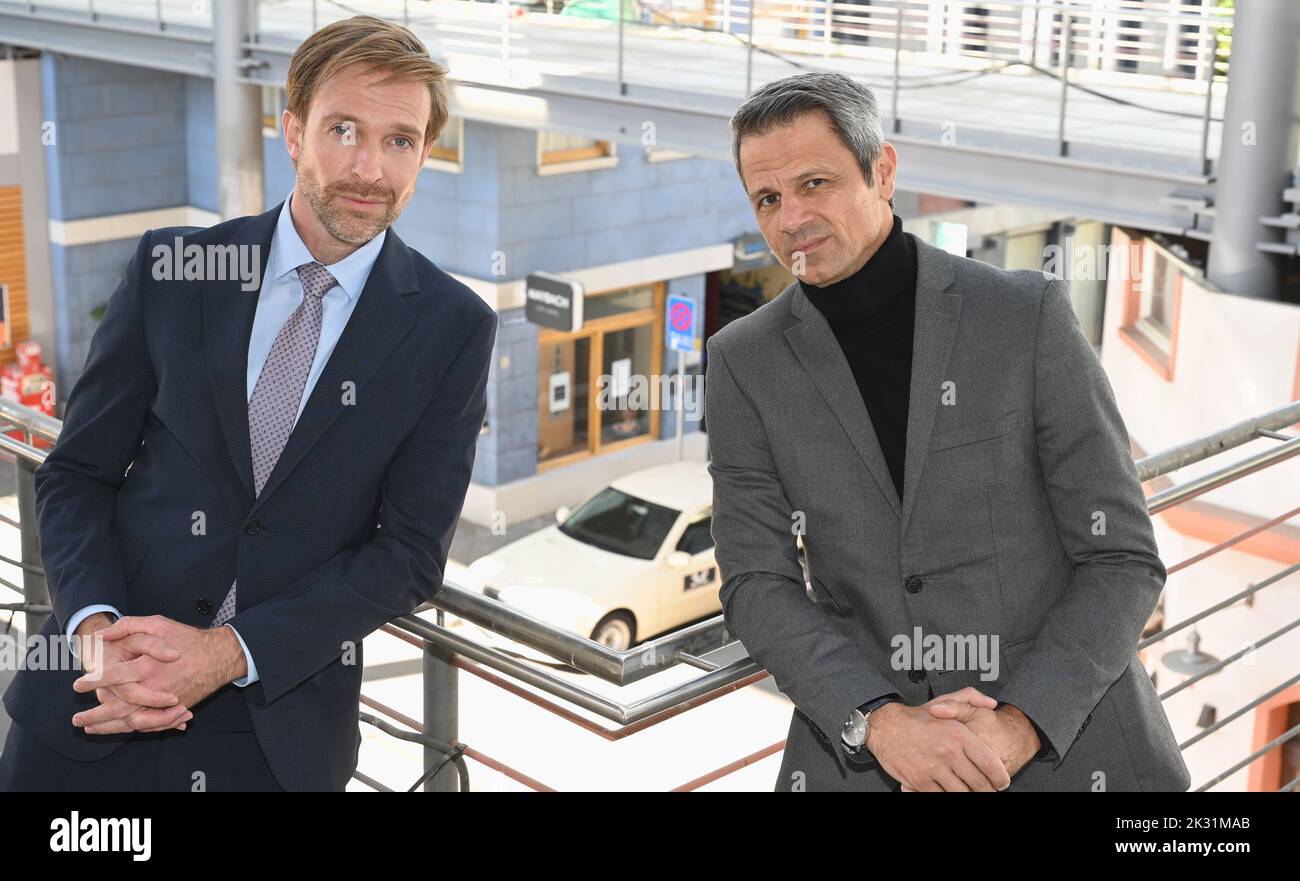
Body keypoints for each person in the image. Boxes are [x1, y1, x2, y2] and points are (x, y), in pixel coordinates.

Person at [0, 15, 496, 791]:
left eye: (400, 140)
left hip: (271, 736)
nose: (370, 167)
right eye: (343, 130)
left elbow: (407, 553)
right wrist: (95, 630)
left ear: (425, 153)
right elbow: (78, 472)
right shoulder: (175, 268)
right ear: (291, 131)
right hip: (92, 696)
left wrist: (222, 654)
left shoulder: (454, 327)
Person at [706, 71, 1190, 792]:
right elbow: (755, 581)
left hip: (1070, 748)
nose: (790, 219)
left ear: (883, 170)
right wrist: (880, 722)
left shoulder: (1024, 316)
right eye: (767, 198)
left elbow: (1121, 557)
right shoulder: (743, 361)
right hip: (872, 759)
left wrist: (1017, 725)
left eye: (815, 183)